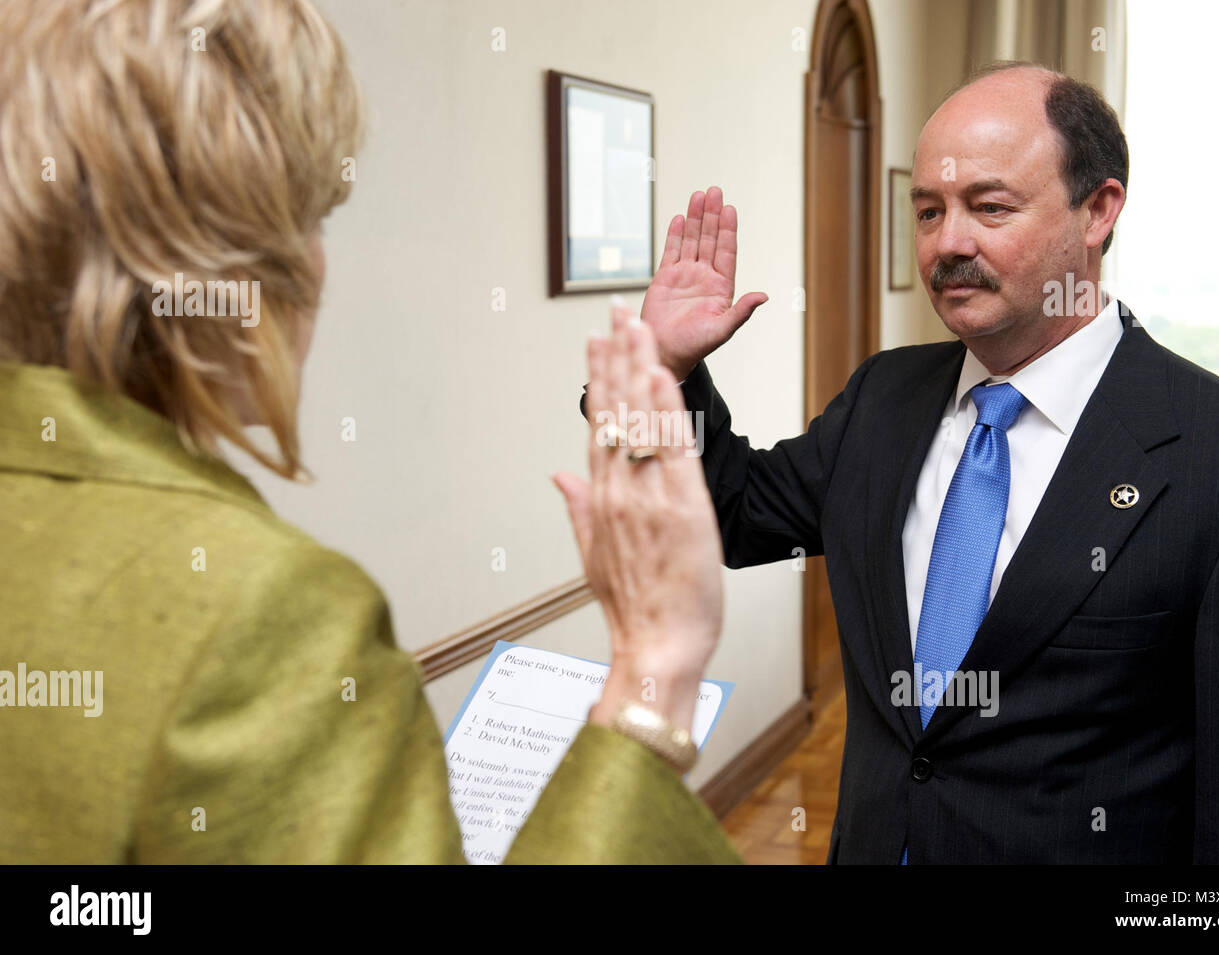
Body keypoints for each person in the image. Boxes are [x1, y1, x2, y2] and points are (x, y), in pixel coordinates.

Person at [0, 0, 741, 864]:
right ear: (229, 252)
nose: (320, 264)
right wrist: (652, 678)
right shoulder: (262, 614)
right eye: (310, 218)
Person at [583, 61, 1219, 864]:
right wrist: (665, 373)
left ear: (1098, 210)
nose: (949, 242)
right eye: (929, 211)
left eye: (989, 207)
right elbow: (733, 517)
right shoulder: (883, 397)